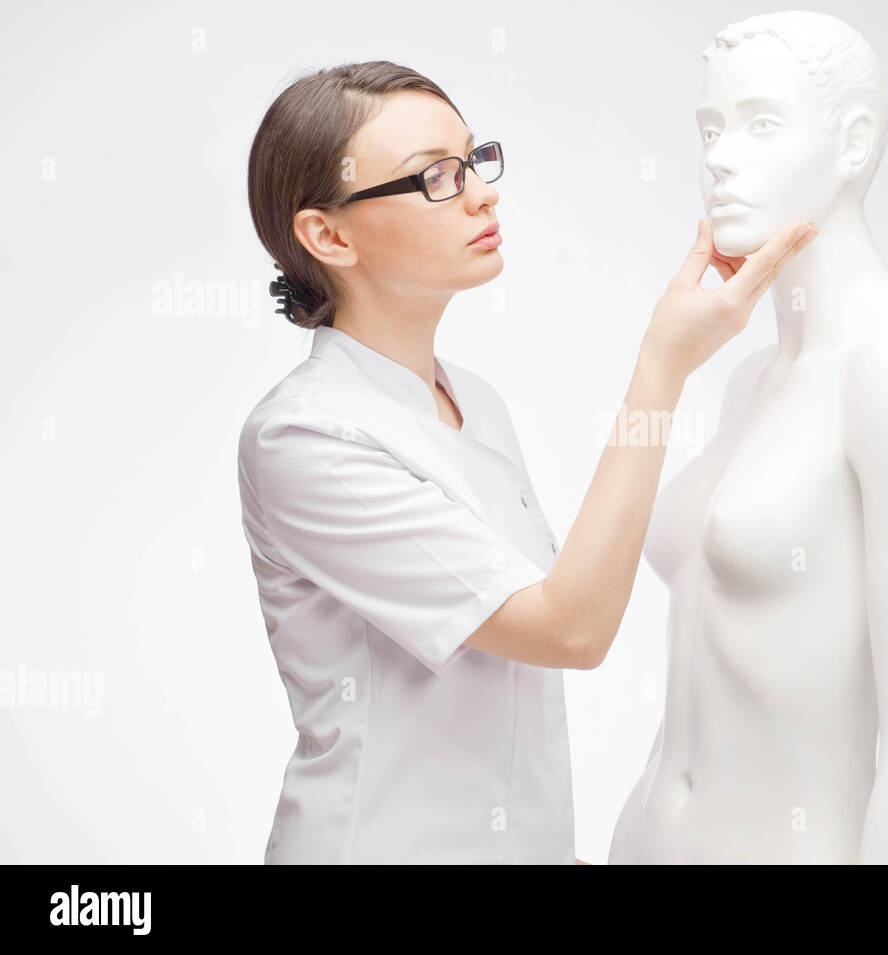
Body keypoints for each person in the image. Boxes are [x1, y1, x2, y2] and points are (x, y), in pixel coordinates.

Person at [238, 59, 818, 863]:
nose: (481, 191)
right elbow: (570, 628)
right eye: (434, 177)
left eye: (474, 159)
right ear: (329, 235)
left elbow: (535, 637)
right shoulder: (304, 438)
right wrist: (663, 366)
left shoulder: (473, 400)